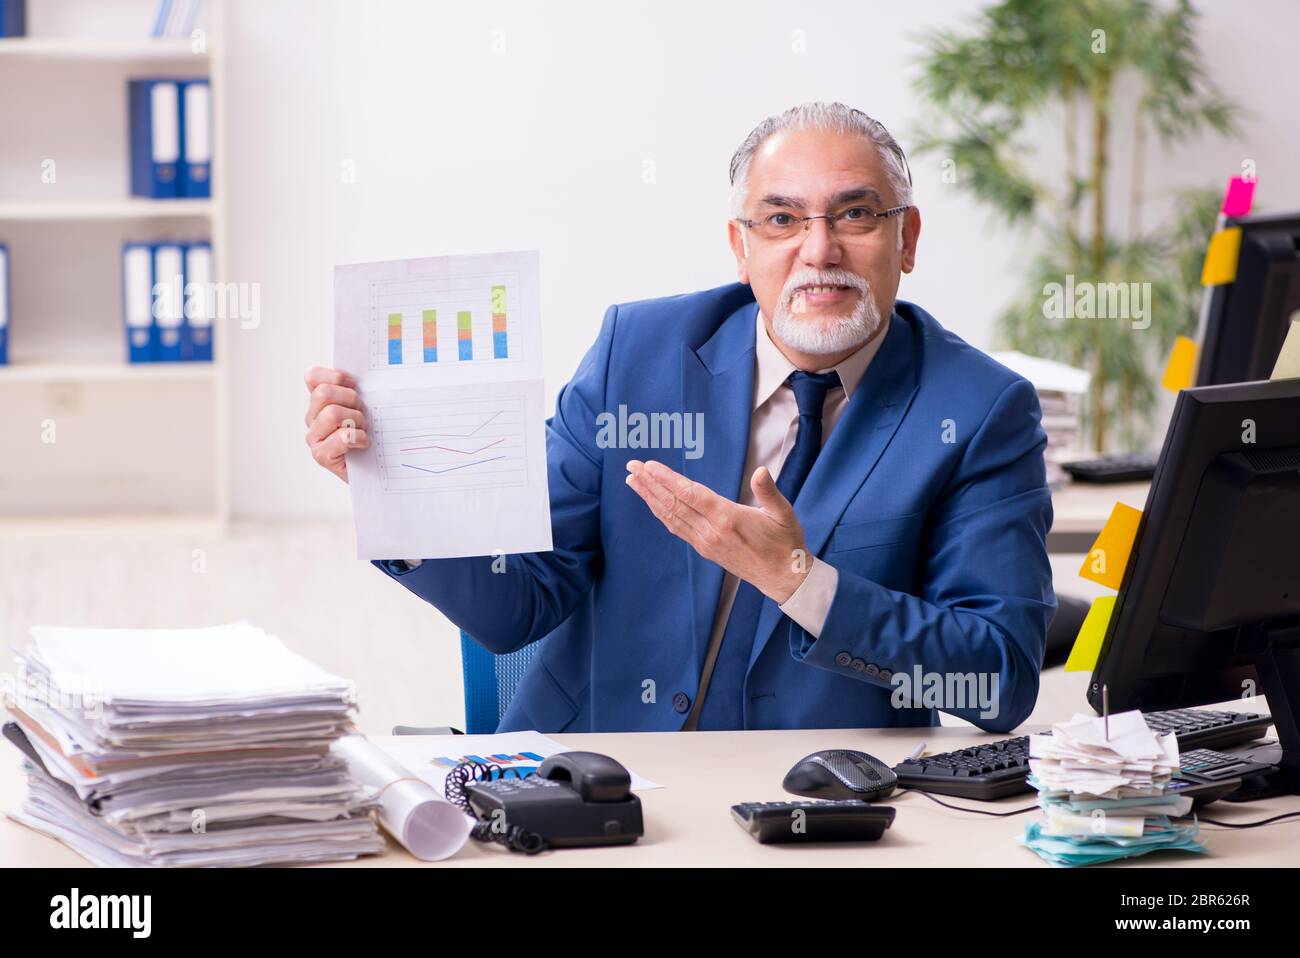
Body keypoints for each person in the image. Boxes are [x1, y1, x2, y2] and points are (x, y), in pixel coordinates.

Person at [304, 102, 1056, 734]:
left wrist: (800, 582)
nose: (818, 249)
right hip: (596, 786)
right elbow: (516, 606)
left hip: (812, 809)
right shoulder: (637, 353)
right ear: (741, 246)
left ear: (907, 238)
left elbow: (999, 681)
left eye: (855, 214)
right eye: (782, 218)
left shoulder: (980, 411)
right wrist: (398, 491)